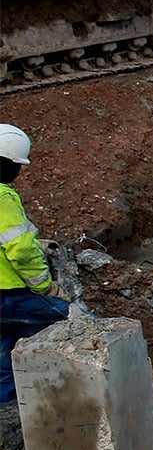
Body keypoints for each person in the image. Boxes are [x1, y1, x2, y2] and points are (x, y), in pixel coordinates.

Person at [0, 124, 68, 403]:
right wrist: (46, 287)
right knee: (83, 326)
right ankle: (78, 402)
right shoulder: (2, 197)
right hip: (10, 295)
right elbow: (21, 250)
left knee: (3, 358)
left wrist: (37, 245)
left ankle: (10, 417)